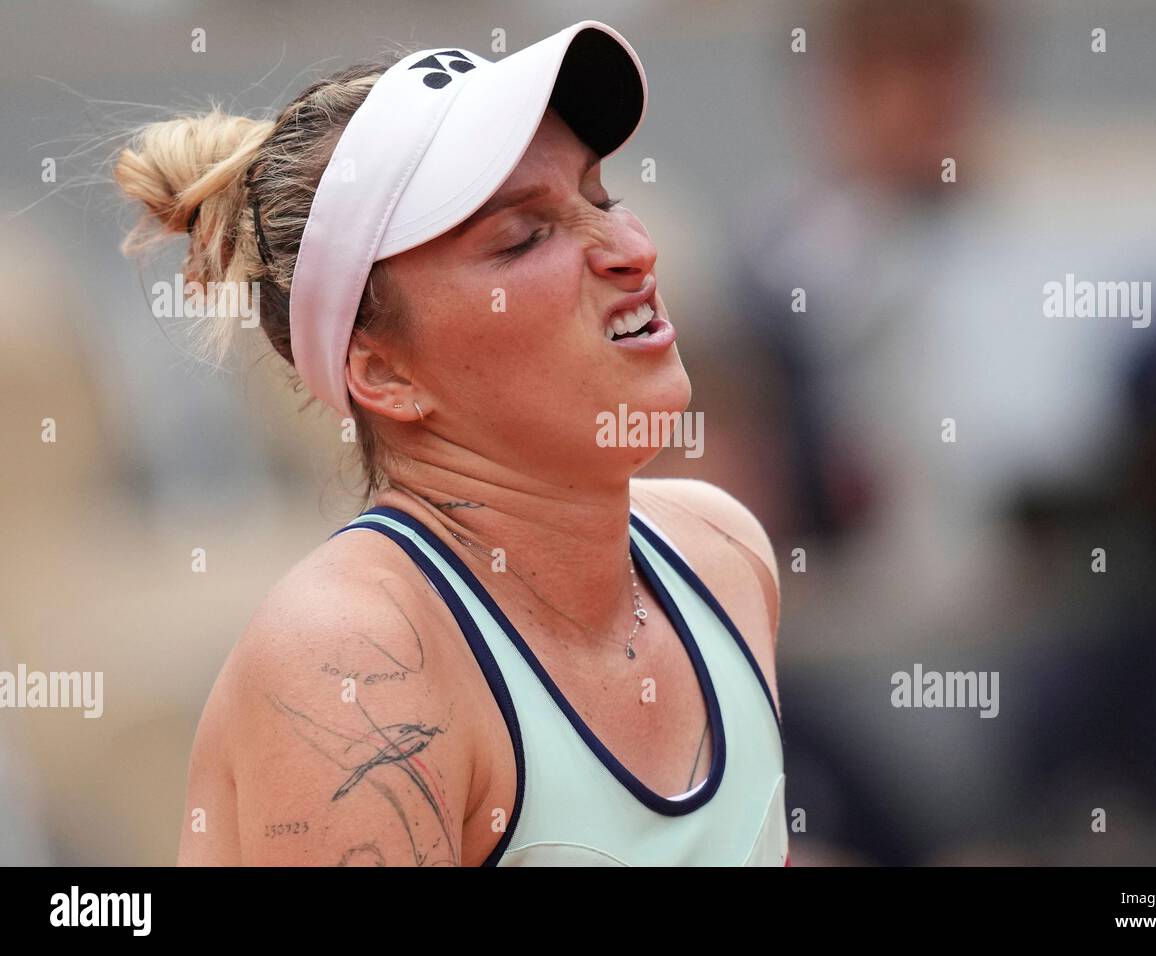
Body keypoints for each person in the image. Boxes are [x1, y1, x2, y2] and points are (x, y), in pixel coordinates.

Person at [112, 21, 787, 866]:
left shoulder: (725, 553)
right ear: (383, 371)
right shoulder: (350, 659)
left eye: (602, 199)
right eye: (524, 237)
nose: (632, 250)